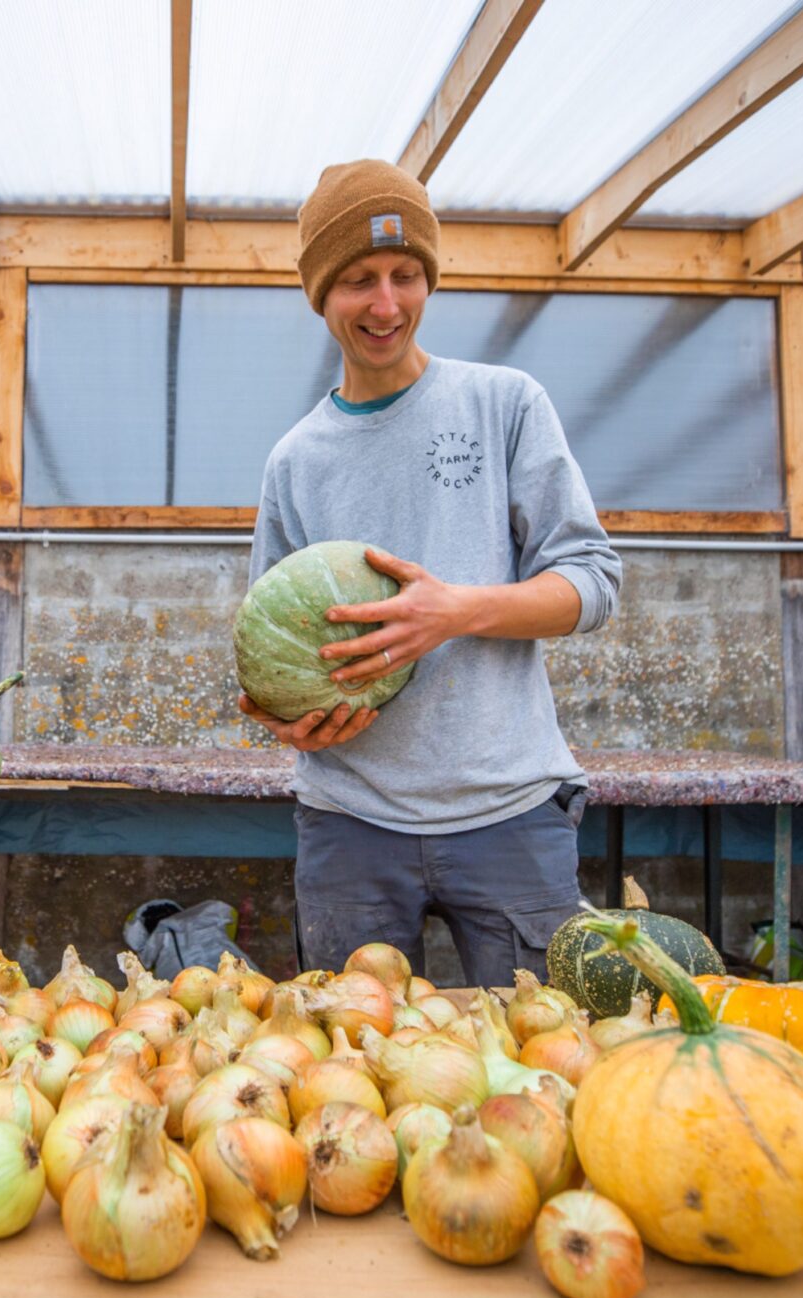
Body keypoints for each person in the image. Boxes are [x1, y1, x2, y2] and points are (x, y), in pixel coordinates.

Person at [241, 159, 623, 986]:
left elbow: (592, 580)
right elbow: (275, 643)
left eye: (405, 274)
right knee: (353, 1081)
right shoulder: (296, 461)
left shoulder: (504, 404)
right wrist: (287, 717)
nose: (386, 305)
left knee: (538, 1070)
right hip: (349, 821)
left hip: (512, 812)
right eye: (357, 282)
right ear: (321, 294)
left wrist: (454, 610)